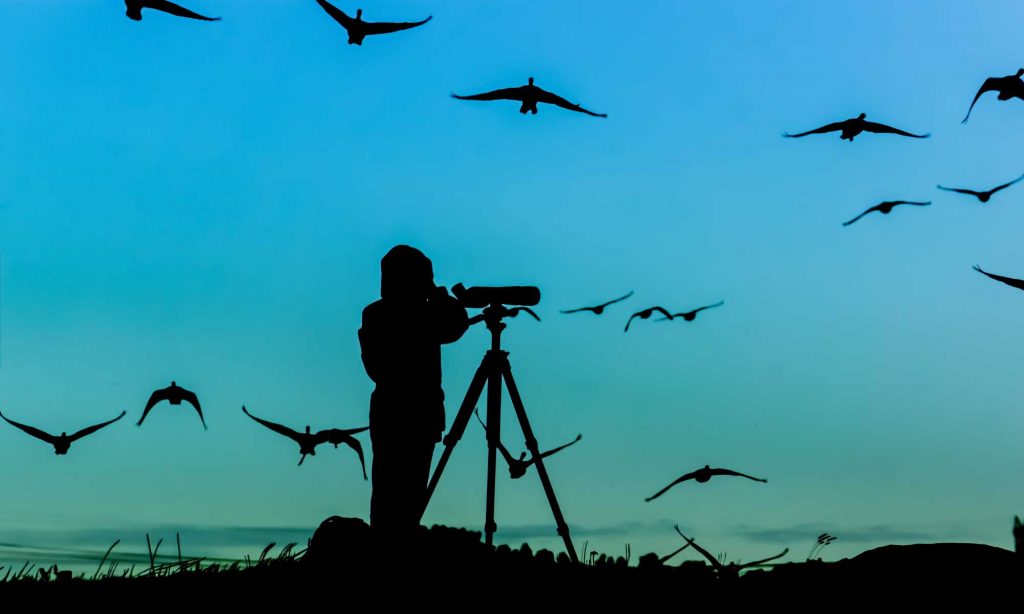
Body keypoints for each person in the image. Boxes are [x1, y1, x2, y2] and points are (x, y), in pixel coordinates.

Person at [358, 245, 469, 535]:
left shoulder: (375, 314)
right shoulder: (425, 314)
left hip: (392, 414)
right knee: (405, 496)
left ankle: (389, 547)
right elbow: (457, 325)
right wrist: (439, 295)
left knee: (387, 496)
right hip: (418, 414)